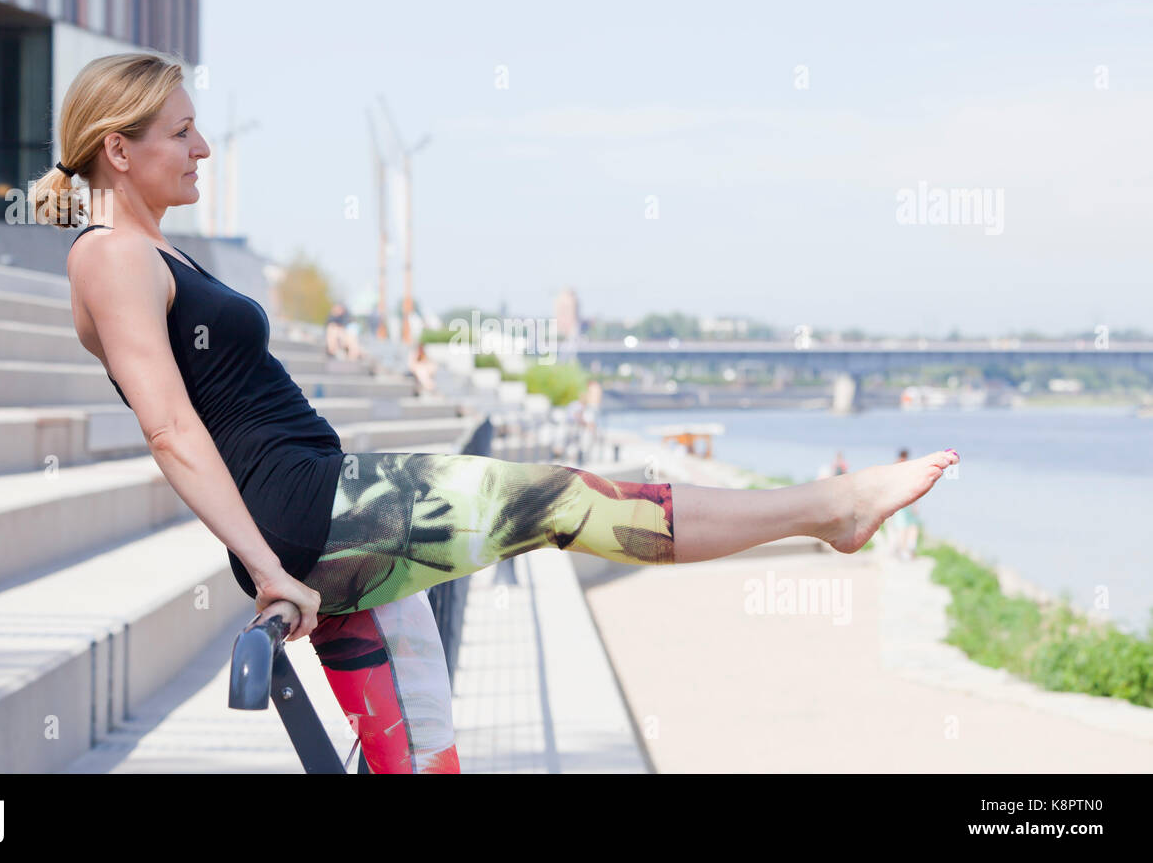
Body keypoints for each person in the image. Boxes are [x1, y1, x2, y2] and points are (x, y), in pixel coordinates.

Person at [50, 52, 960, 774]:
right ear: (118, 148)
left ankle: (825, 511)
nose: (204, 147)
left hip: (320, 525)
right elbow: (170, 430)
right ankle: (827, 510)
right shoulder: (109, 256)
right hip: (314, 515)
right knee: (564, 499)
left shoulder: (154, 250)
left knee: (418, 748)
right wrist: (266, 570)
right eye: (183, 130)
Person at [885, 448, 921, 560]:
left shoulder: (894, 467)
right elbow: (915, 486)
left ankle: (903, 551)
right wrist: (916, 504)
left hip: (898, 501)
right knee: (911, 526)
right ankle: (909, 547)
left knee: (902, 527)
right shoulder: (909, 467)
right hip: (909, 500)